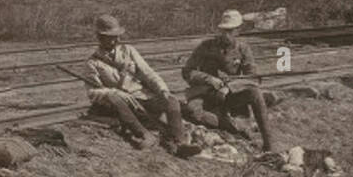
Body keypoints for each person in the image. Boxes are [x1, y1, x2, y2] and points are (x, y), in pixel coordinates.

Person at [85, 14, 189, 152]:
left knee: (171, 100)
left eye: (117, 36)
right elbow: (92, 92)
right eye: (111, 37)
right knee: (114, 98)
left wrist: (162, 89)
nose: (117, 40)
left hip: (142, 96)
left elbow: (148, 73)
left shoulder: (128, 50)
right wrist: (114, 92)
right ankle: (144, 135)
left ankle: (179, 143)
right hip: (120, 103)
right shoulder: (93, 63)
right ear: (100, 37)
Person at [181, 9, 275, 154]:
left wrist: (229, 88)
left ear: (238, 30)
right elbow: (187, 71)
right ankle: (229, 125)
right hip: (206, 94)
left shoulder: (243, 49)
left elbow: (253, 78)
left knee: (255, 93)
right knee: (192, 112)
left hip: (229, 96)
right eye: (224, 30)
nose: (226, 34)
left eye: (230, 31)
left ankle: (269, 145)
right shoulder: (206, 46)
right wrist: (208, 79)